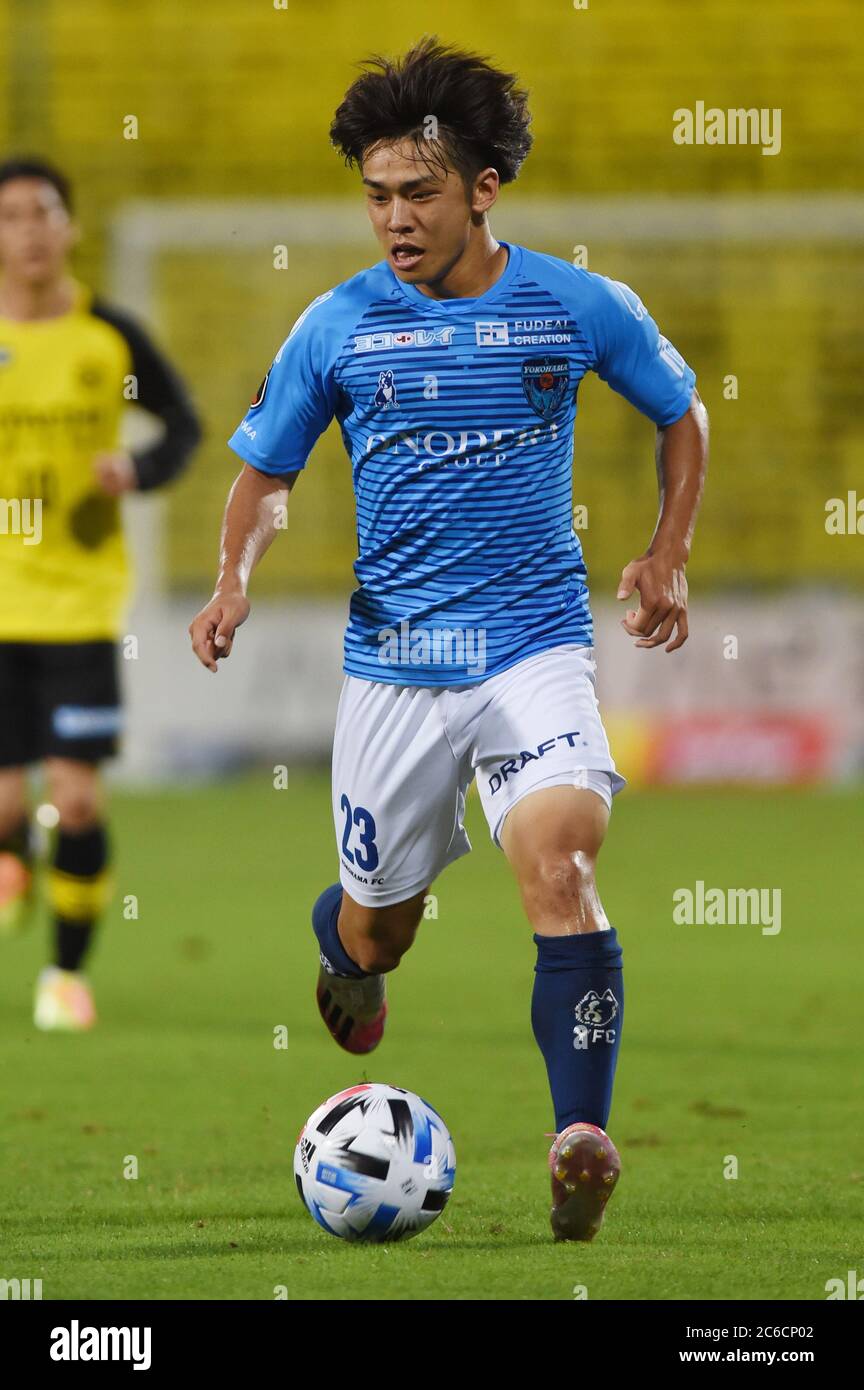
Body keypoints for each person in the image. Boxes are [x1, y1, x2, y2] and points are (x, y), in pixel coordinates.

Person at [189, 38, 708, 1241]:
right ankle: (347, 938)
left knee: (565, 866)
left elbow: (683, 418)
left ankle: (580, 1137)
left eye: (419, 192)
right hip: (395, 671)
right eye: (376, 196)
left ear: (484, 188)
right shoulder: (338, 326)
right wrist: (232, 579)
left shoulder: (578, 306)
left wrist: (665, 549)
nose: (394, 219)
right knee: (383, 927)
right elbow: (266, 474)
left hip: (535, 649)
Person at [0, 157, 202, 1030]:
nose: (30, 232)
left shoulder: (109, 338)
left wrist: (137, 467)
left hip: (81, 609)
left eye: (44, 213)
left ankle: (64, 977)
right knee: (7, 802)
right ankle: (11, 858)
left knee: (75, 798)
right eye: (10, 217)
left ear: (70, 228)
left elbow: (185, 426)